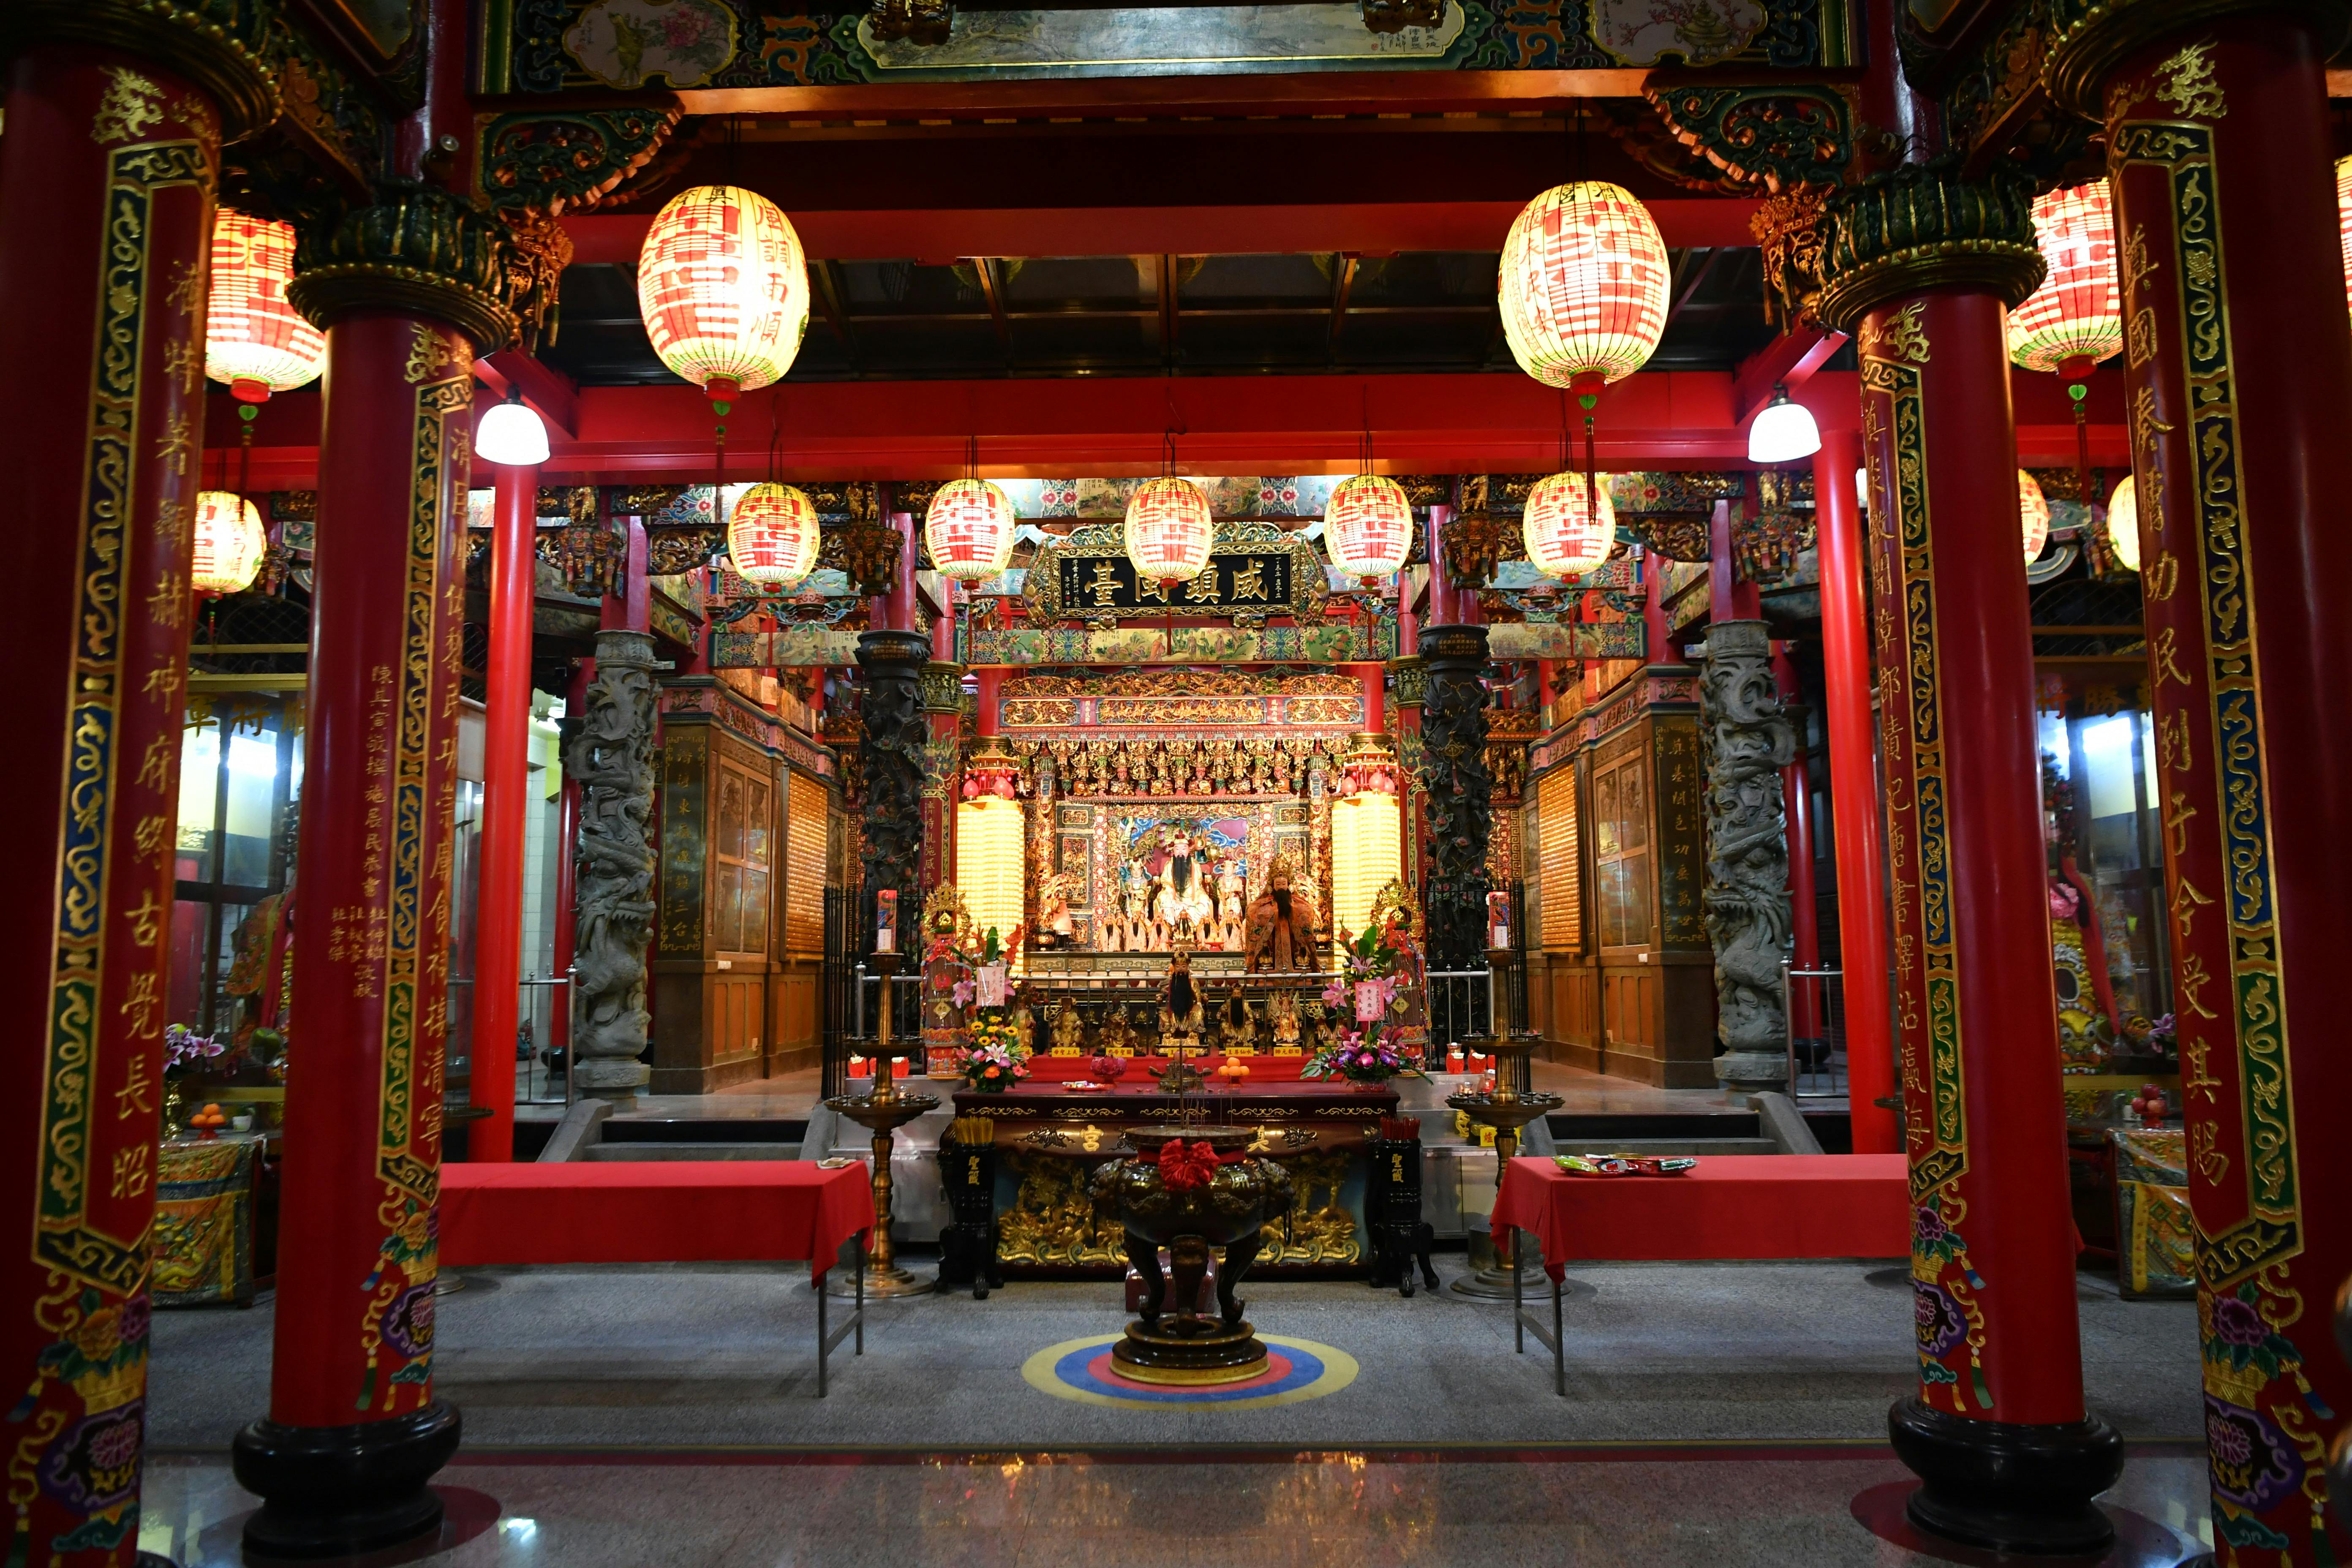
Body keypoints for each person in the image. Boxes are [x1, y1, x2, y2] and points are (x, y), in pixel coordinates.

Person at [1244, 860, 1320, 973]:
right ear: (1272, 887)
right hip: (1272, 938)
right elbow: (1252, 910)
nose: (1281, 887)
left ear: (1289, 885)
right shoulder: (1266, 903)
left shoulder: (1296, 903)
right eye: (1278, 884)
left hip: (1291, 937)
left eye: (1284, 884)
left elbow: (1307, 909)